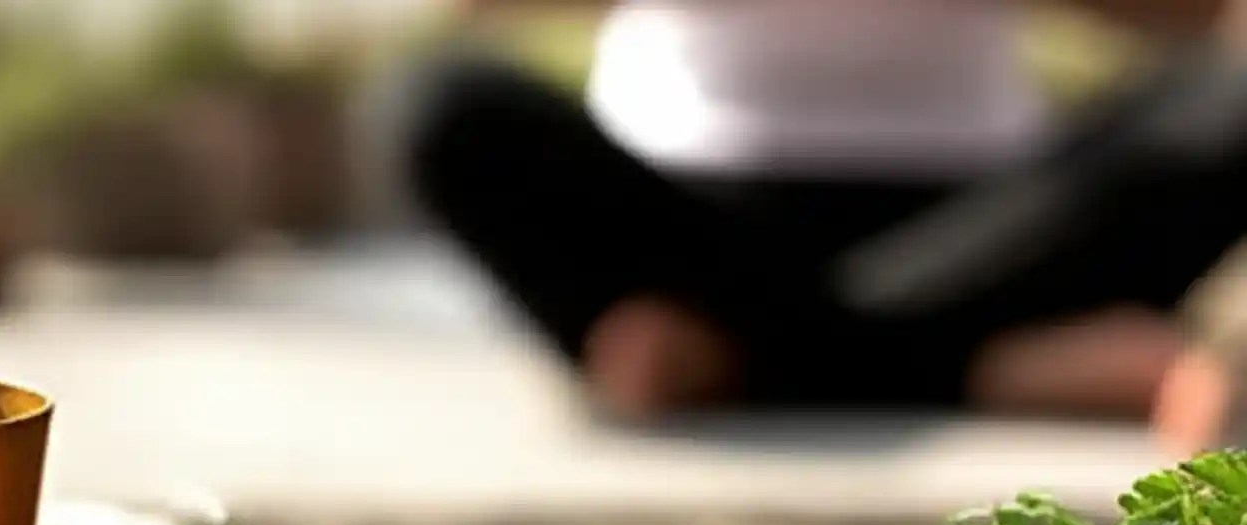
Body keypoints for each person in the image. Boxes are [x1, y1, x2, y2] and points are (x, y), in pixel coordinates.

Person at [408, 0, 1242, 451]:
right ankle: (978, 363)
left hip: (995, 220)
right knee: (443, 104)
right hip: (697, 220)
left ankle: (739, 360)